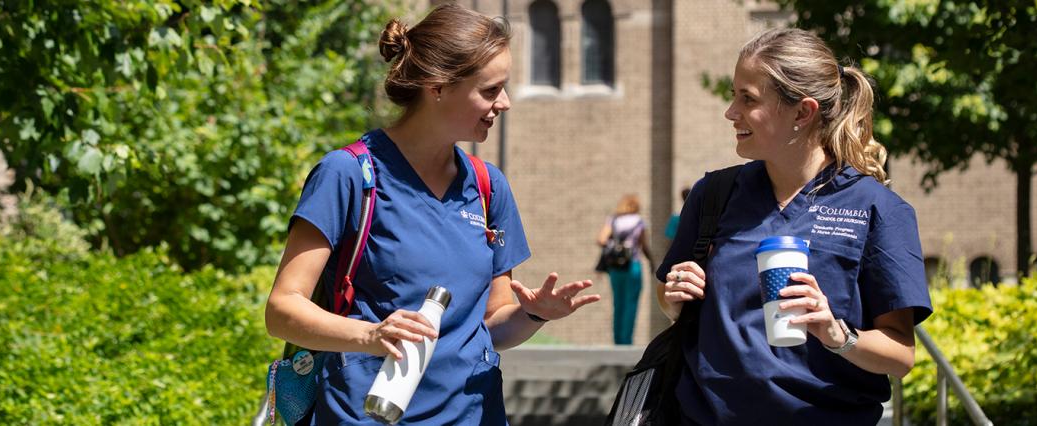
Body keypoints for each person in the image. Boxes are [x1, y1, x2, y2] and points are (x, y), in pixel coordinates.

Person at [264, 4, 600, 424]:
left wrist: (534, 313)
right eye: (491, 90)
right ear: (438, 88)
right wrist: (370, 336)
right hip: (366, 414)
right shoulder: (349, 175)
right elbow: (282, 310)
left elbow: (490, 325)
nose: (506, 103)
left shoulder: (487, 187)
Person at [656, 28, 932, 425]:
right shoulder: (713, 195)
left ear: (802, 113)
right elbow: (671, 304)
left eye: (747, 99)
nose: (730, 112)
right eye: (734, 95)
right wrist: (675, 296)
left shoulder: (876, 208)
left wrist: (837, 335)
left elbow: (901, 355)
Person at [596, 194, 655, 345]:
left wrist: (614, 245)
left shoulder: (613, 220)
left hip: (615, 268)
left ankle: (617, 342)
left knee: (618, 303)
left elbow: (601, 240)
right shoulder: (639, 222)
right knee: (631, 303)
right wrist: (652, 262)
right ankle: (626, 341)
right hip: (633, 266)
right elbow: (644, 246)